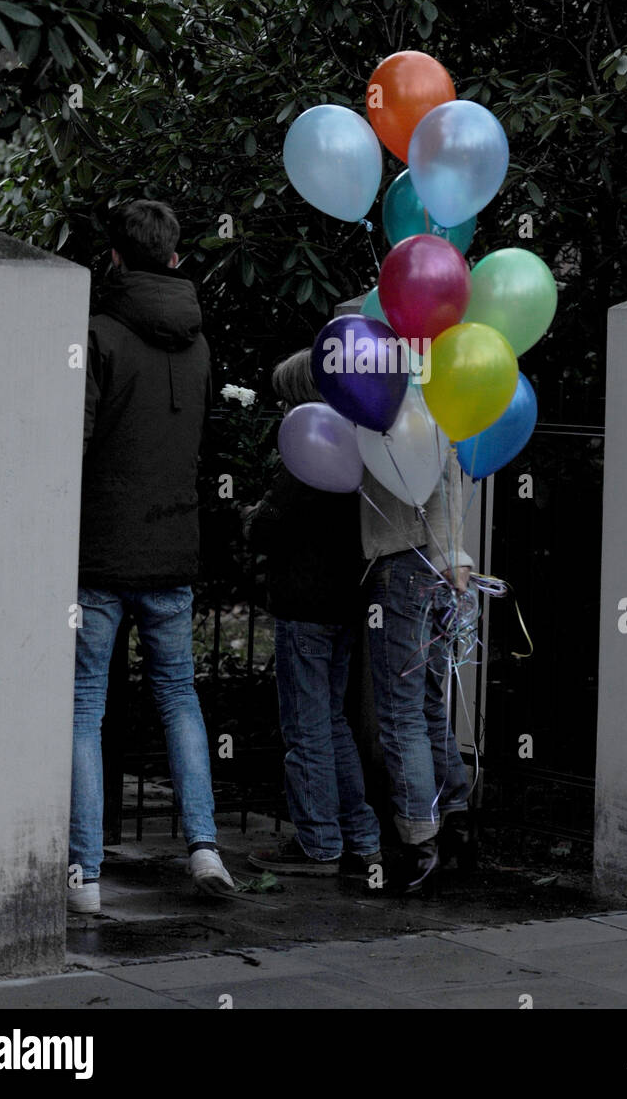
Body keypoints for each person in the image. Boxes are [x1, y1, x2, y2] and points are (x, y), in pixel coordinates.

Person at [68, 199, 236, 914]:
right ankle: (204, 847)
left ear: (113, 258)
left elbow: (72, 442)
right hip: (173, 550)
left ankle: (85, 873)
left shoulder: (98, 335)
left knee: (84, 709)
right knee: (178, 699)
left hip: (100, 554)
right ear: (173, 259)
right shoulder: (197, 345)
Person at [244, 349, 382, 877]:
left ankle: (318, 842)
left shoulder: (305, 452)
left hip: (303, 606)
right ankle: (360, 834)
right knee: (333, 723)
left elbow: (268, 526)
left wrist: (250, 516)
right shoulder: (358, 443)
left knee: (305, 728)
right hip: (344, 602)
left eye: (284, 398)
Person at [361, 450, 475, 894]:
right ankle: (456, 824)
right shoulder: (431, 398)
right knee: (427, 704)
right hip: (442, 565)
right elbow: (447, 476)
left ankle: (419, 844)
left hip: (403, 558)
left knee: (401, 710)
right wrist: (452, 551)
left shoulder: (389, 398)